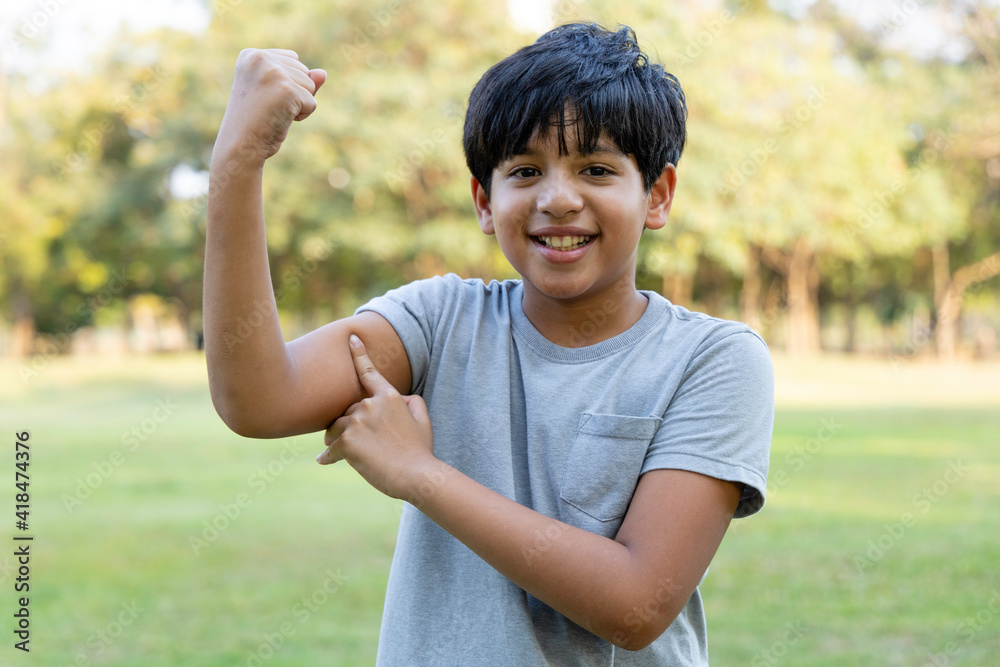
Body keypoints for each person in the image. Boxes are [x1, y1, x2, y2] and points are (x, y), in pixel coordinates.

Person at [204, 22, 773, 666]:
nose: (558, 199)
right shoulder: (439, 321)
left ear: (657, 196)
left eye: (596, 169)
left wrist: (421, 475)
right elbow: (257, 399)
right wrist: (237, 162)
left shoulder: (715, 360)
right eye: (525, 170)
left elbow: (636, 605)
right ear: (484, 200)